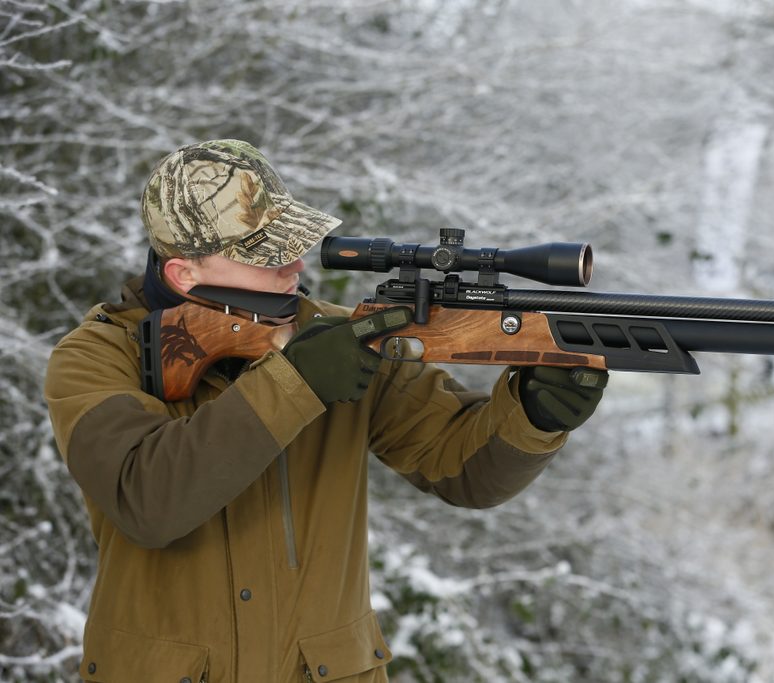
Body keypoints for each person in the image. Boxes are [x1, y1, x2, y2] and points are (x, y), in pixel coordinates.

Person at [44, 139, 607, 683]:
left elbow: (463, 470)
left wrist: (533, 415)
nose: (294, 262)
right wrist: (298, 383)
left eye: (291, 240)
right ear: (183, 273)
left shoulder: (341, 338)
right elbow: (148, 500)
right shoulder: (97, 358)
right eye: (264, 253)